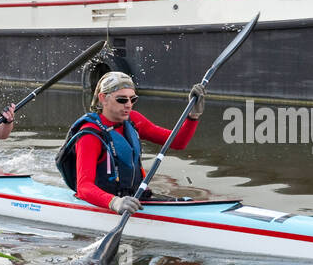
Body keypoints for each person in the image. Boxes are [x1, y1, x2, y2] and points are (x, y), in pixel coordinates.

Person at [56, 71, 205, 214]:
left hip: (136, 199)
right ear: (103, 98)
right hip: (107, 203)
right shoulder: (90, 134)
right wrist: (114, 202)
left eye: (133, 99)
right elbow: (84, 188)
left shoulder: (134, 120)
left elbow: (178, 142)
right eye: (121, 99)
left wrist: (193, 116)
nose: (128, 104)